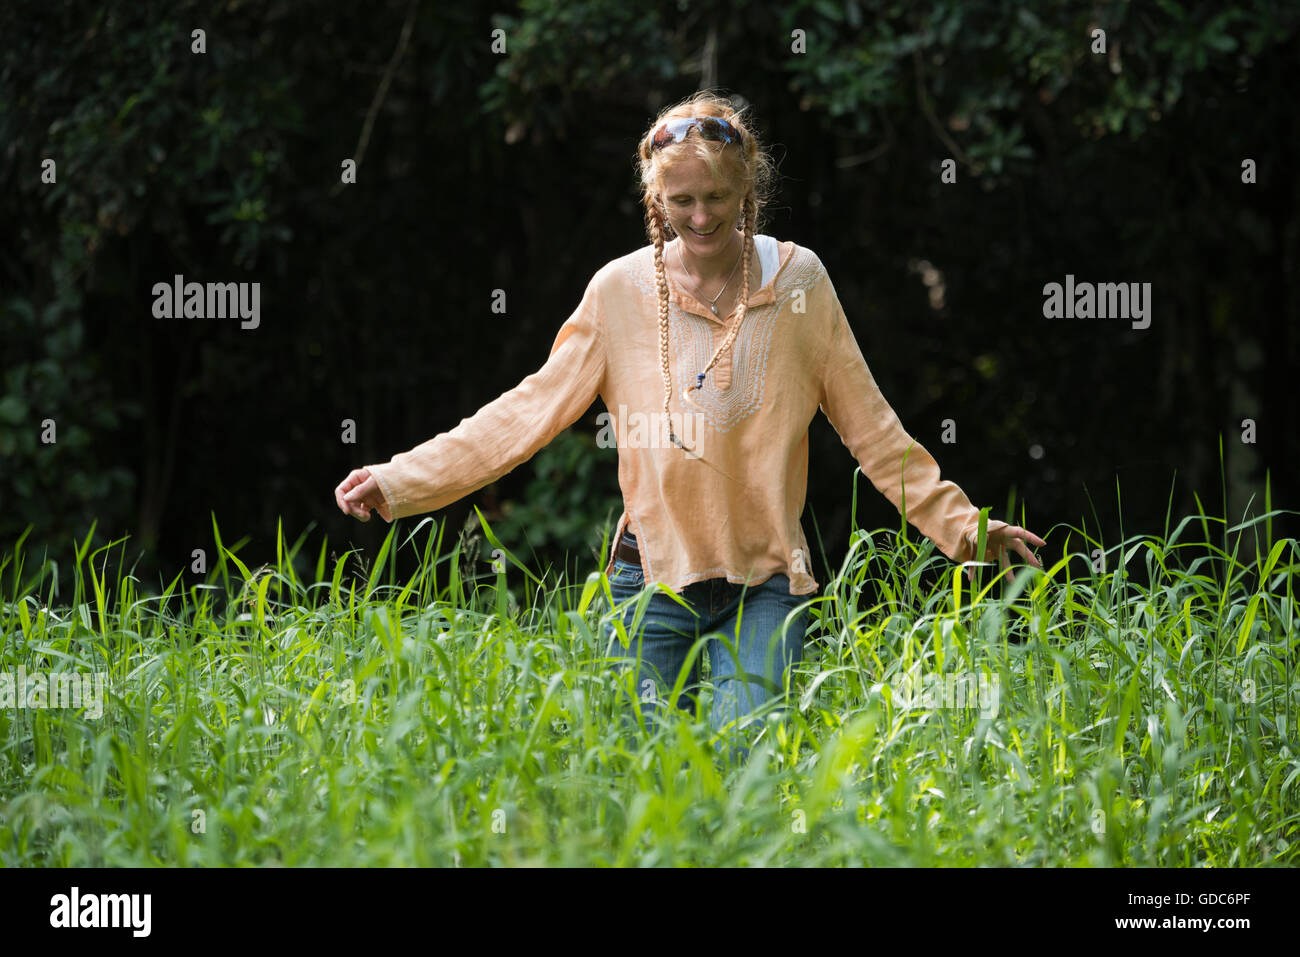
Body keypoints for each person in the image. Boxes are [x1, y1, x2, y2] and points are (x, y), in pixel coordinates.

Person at [333, 91, 1045, 762]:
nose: (700, 217)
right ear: (655, 198)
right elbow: (525, 412)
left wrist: (963, 526)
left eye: (717, 199)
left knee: (744, 770)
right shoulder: (620, 292)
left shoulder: (801, 285)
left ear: (747, 192)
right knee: (638, 785)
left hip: (766, 586)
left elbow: (874, 429)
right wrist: (400, 480)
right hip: (647, 584)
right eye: (681, 202)